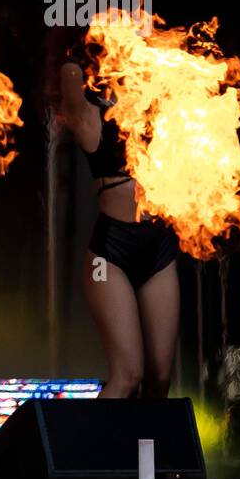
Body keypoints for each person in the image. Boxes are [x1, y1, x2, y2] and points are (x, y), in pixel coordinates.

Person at [58, 40, 178, 399]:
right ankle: (89, 455)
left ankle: (144, 454)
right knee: (128, 376)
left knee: (158, 379)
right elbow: (68, 75)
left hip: (159, 247)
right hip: (111, 254)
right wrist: (97, 43)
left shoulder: (155, 113)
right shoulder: (90, 116)